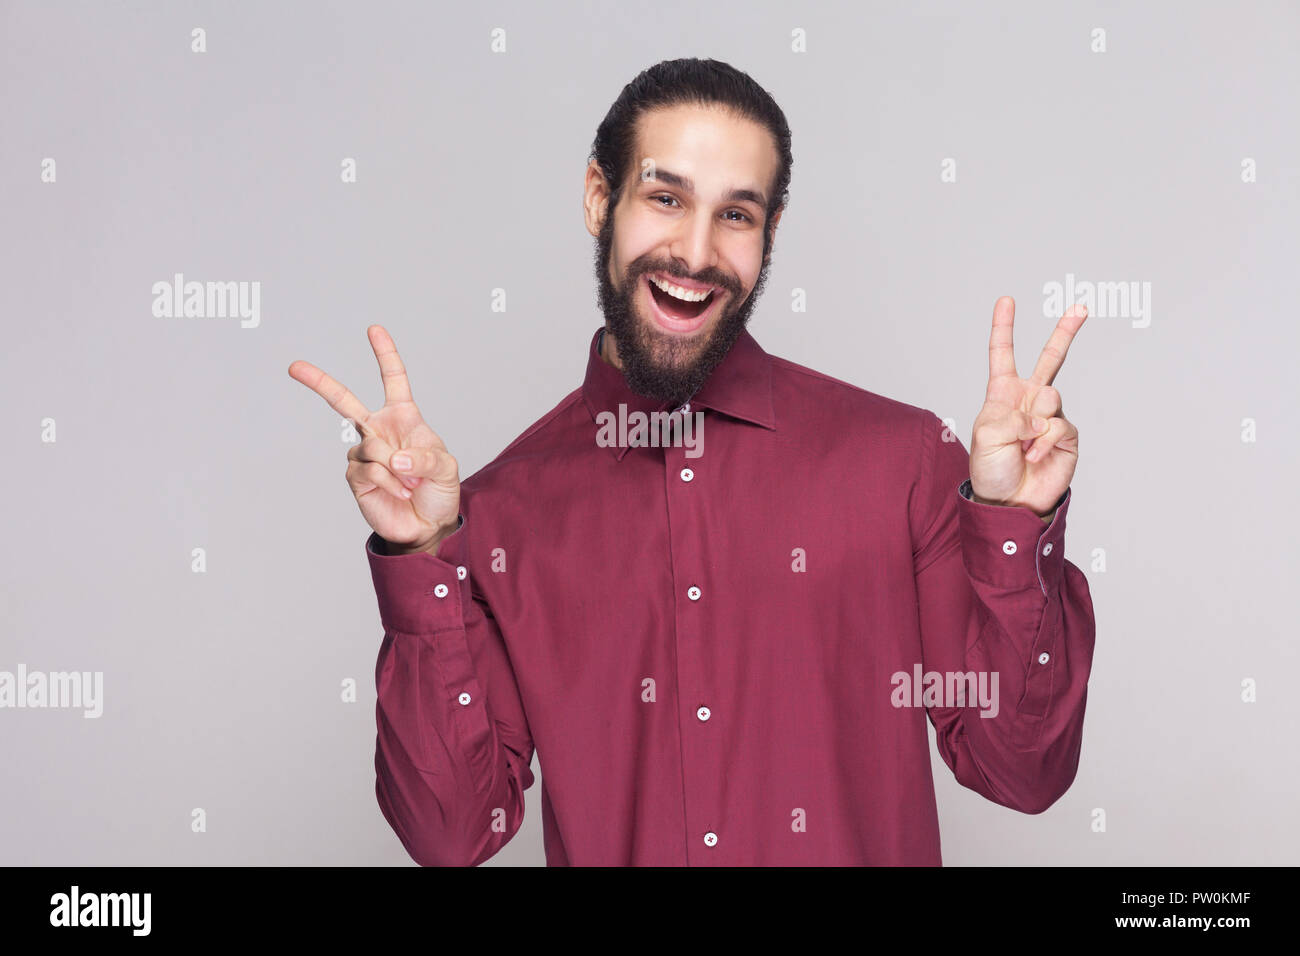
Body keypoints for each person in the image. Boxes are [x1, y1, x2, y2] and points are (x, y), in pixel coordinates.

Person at [288, 57, 1095, 866]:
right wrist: (419, 557)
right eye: (665, 198)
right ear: (600, 198)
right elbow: (452, 832)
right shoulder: (498, 515)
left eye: (736, 215)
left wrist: (1014, 527)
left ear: (770, 233)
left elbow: (1021, 772)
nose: (696, 253)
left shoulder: (903, 461)